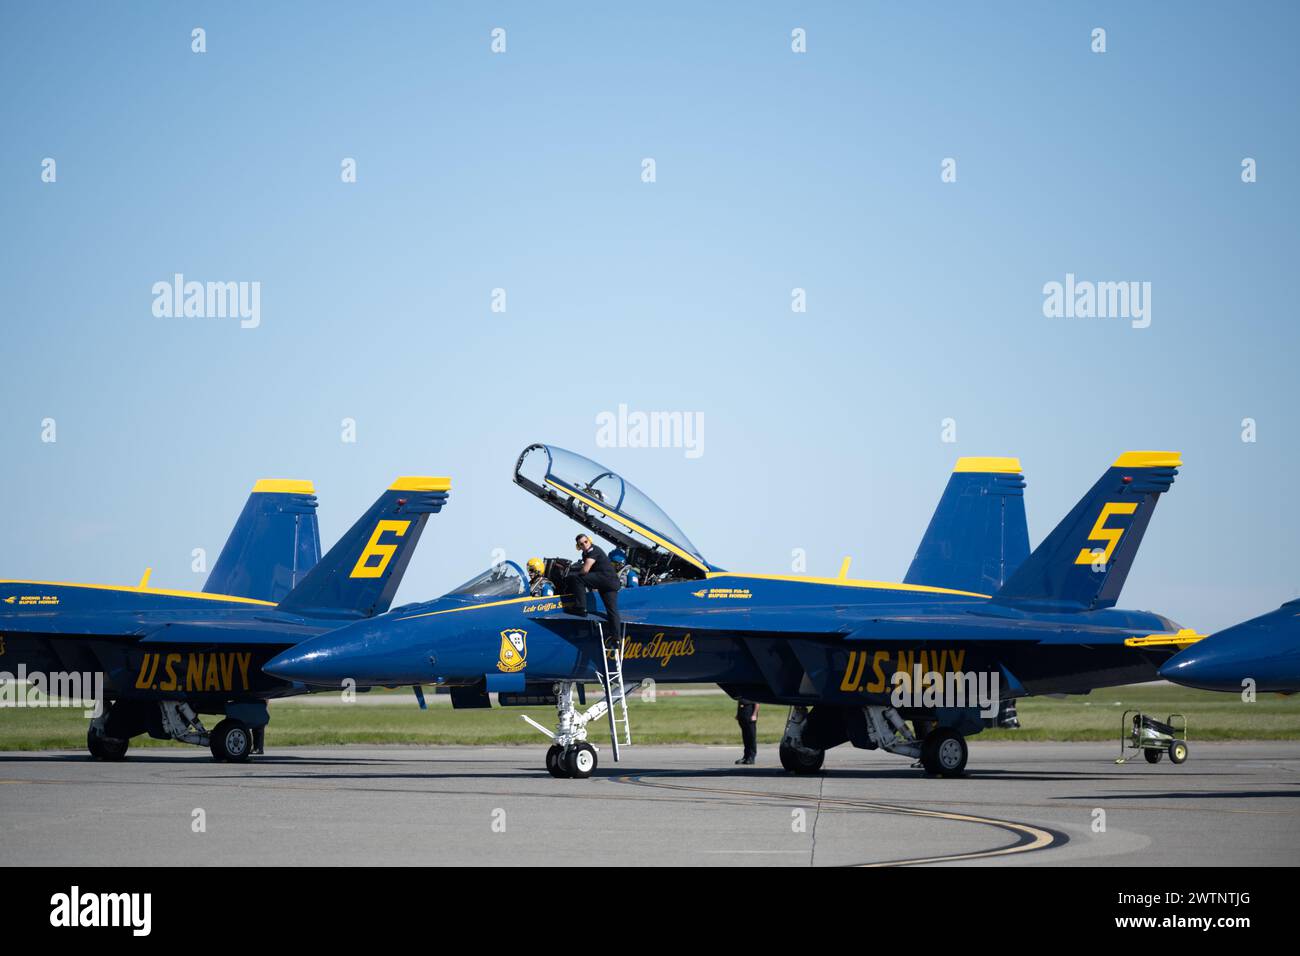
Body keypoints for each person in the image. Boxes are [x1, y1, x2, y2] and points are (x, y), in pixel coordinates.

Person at [569, 533, 622, 636]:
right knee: (612, 610)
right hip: (610, 583)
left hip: (604, 579)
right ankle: (616, 638)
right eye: (581, 544)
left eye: (586, 541)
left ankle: (581, 608)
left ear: (589, 541)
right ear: (578, 547)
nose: (584, 544)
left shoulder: (593, 550)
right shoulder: (586, 553)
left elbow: (585, 570)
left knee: (577, 578)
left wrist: (573, 574)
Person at [735, 698, 758, 765]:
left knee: (751, 737)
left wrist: (754, 714)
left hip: (750, 714)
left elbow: (757, 703)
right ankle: (746, 756)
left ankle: (751, 757)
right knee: (745, 737)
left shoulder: (752, 692)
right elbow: (739, 703)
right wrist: (737, 714)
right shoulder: (743, 692)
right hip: (742, 715)